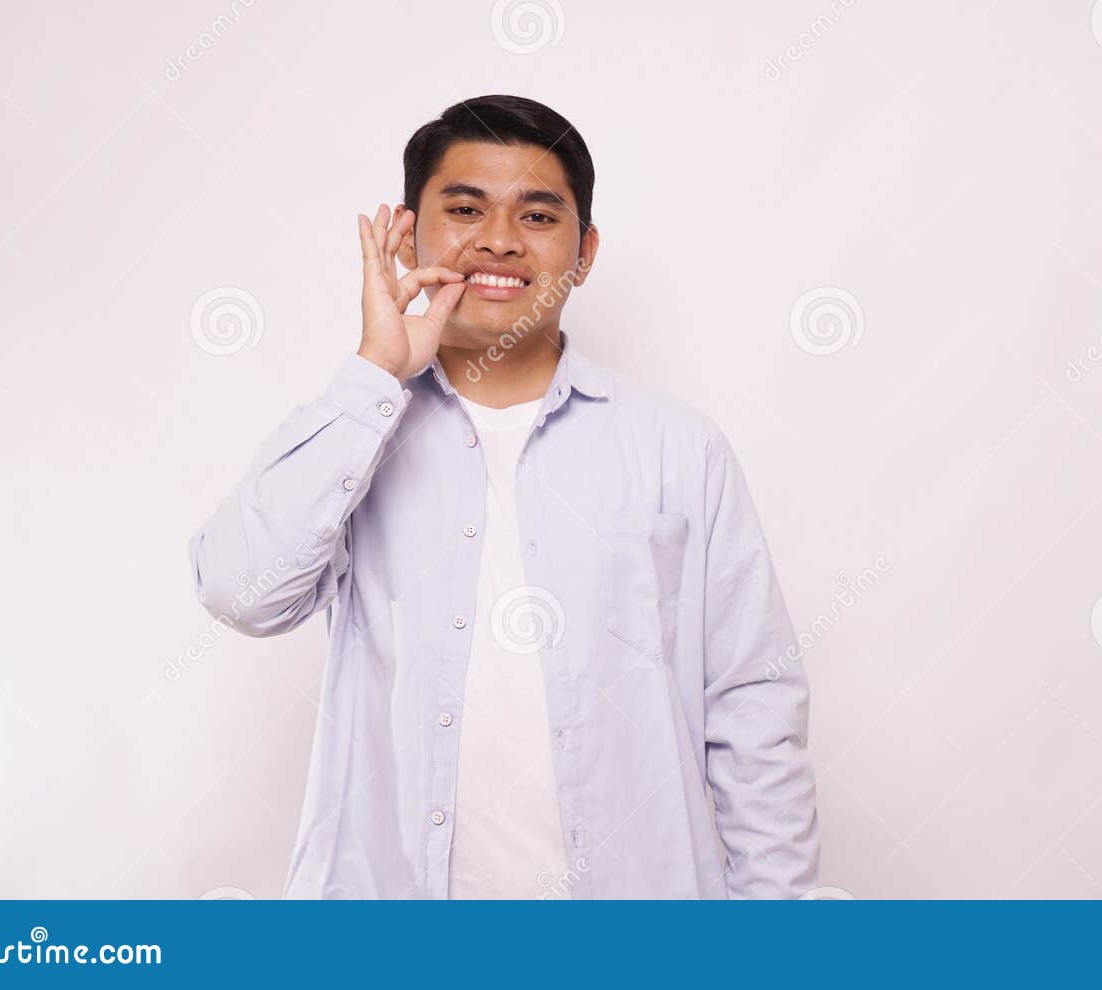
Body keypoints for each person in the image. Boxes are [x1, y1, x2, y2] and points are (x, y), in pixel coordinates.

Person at [188, 94, 820, 899]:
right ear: (410, 233)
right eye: (463, 209)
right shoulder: (352, 431)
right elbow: (240, 593)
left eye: (538, 215)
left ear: (584, 251)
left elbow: (751, 702)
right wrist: (375, 374)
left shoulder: (679, 449)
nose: (498, 240)